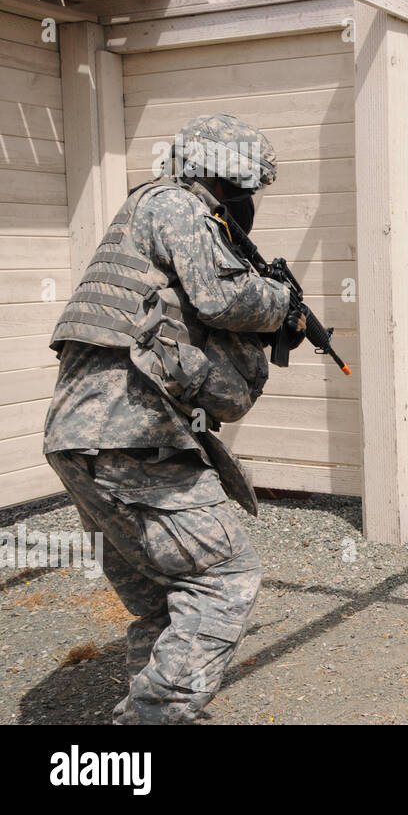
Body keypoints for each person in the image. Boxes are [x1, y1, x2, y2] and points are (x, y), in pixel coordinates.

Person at [43, 113, 304, 724]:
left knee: (165, 599)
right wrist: (283, 304)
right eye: (247, 190)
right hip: (129, 435)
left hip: (84, 438)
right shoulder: (173, 203)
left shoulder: (151, 221)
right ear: (222, 174)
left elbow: (217, 384)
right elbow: (223, 296)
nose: (248, 204)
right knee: (224, 578)